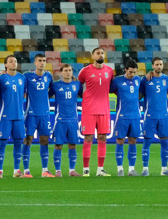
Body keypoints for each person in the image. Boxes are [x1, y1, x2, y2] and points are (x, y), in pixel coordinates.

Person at [78, 47, 115, 176]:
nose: (101, 55)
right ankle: (86, 170)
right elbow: (78, 87)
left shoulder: (110, 71)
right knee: (88, 138)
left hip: (104, 110)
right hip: (89, 110)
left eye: (102, 53)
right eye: (98, 53)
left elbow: (111, 87)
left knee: (102, 138)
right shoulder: (85, 71)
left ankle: (100, 169)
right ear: (92, 56)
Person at [140, 57, 168, 176]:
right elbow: (139, 95)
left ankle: (164, 169)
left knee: (165, 142)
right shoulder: (145, 80)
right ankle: (145, 169)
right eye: (156, 64)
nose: (159, 67)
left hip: (164, 115)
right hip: (149, 115)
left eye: (160, 64)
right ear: (152, 66)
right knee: (147, 142)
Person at [0, 55, 28, 178]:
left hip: (18, 116)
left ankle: (17, 171)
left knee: (19, 143)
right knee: (2, 142)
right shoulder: (1, 78)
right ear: (5, 65)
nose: (14, 63)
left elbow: (24, 94)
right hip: (5, 116)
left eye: (15, 61)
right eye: (11, 61)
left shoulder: (22, 78)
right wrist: (2, 106)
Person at [22, 54, 54, 178]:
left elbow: (51, 91)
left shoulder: (48, 76)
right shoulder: (27, 76)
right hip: (31, 114)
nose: (42, 63)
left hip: (45, 114)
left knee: (44, 141)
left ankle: (45, 170)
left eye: (44, 61)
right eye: (40, 61)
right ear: (35, 62)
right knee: (28, 140)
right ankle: (26, 170)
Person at [111, 61, 143, 176]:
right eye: (130, 72)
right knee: (120, 140)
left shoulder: (138, 80)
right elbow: (108, 90)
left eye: (134, 72)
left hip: (135, 116)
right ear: (125, 69)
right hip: (122, 116)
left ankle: (131, 169)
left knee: (133, 141)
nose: (132, 74)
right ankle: (120, 169)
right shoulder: (117, 81)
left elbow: (143, 91)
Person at [51, 63, 82, 177]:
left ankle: (72, 170)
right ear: (61, 72)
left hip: (73, 120)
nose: (68, 72)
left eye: (70, 70)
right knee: (58, 145)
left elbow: (84, 95)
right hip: (60, 120)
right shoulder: (55, 85)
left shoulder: (77, 84)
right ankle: (58, 171)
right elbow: (46, 96)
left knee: (72, 145)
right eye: (66, 70)